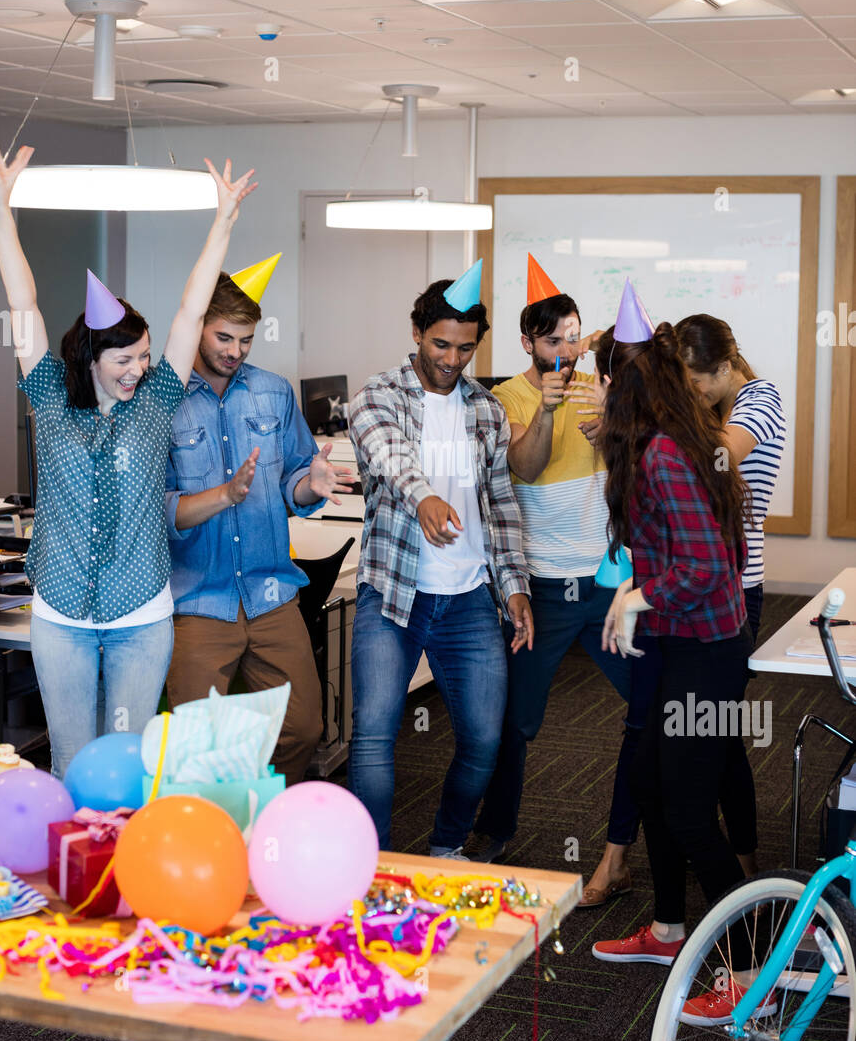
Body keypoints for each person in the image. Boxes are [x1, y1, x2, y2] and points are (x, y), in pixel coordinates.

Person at [0, 145, 256, 778]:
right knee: (72, 762)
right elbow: (23, 307)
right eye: (125, 359)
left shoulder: (157, 399)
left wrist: (223, 220)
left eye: (143, 354)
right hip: (61, 613)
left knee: (127, 765)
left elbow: (192, 311)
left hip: (142, 615)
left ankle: (125, 877)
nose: (140, 367)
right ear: (90, 360)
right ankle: (72, 875)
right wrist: (1, 211)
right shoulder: (52, 397)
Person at [590, 296, 755, 1016]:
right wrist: (633, 588)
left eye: (601, 381)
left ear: (624, 389)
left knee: (689, 813)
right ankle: (668, 929)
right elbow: (678, 553)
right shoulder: (659, 447)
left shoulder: (664, 455)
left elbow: (709, 571)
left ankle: (752, 971)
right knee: (654, 787)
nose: (592, 393)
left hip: (708, 651)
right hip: (681, 640)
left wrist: (638, 599)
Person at [348, 266, 533, 856]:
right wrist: (422, 494)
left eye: (466, 347)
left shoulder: (486, 409)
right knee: (375, 736)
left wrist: (515, 587)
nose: (453, 359)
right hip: (394, 593)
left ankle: (445, 848)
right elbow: (389, 450)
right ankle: (371, 866)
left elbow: (500, 504)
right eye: (440, 344)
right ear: (416, 332)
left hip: (469, 598)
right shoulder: (379, 393)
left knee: (484, 740)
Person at [466, 256, 633, 864]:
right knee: (515, 721)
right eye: (553, 338)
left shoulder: (599, 389)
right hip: (540, 585)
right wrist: (550, 409)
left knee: (650, 701)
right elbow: (524, 466)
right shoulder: (505, 396)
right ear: (527, 343)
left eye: (572, 335)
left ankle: (661, 830)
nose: (566, 348)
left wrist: (612, 435)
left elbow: (631, 476)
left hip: (608, 581)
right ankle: (495, 829)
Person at [164, 261, 353, 785]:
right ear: (196, 325)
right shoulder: (161, 398)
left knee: (302, 730)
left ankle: (261, 825)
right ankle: (212, 839)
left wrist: (309, 485)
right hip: (198, 598)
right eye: (224, 337)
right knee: (198, 747)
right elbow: (157, 510)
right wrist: (223, 496)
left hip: (272, 595)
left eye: (246, 340)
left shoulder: (272, 391)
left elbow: (293, 478)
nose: (236, 351)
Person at [675, 314, 785, 647]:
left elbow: (717, 461)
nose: (691, 393)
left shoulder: (761, 398)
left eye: (694, 382)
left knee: (720, 694)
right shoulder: (712, 410)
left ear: (724, 367)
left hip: (737, 581)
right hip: (697, 574)